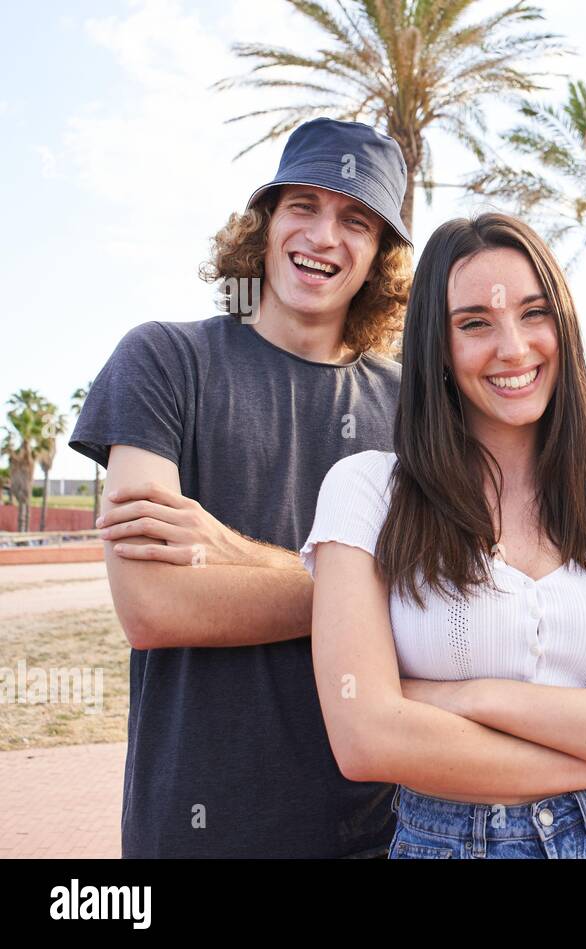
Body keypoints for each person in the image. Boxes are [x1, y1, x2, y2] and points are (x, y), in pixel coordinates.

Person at [301, 212, 586, 859]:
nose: (514, 346)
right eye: (475, 322)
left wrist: (472, 696)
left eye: (534, 314)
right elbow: (367, 737)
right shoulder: (366, 493)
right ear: (436, 349)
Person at [68, 118, 414, 857]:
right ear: (263, 224)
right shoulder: (163, 359)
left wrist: (232, 552)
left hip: (379, 833)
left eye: (356, 219)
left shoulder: (415, 405)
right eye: (303, 206)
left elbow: (452, 598)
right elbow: (155, 605)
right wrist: (370, 594)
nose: (324, 235)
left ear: (381, 255)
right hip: (197, 831)